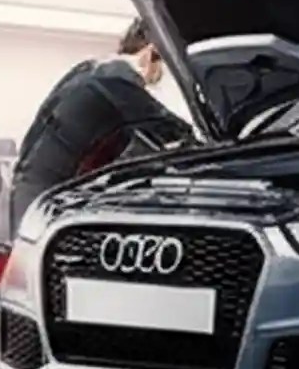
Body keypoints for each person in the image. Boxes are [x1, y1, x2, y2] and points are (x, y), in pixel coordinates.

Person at [10, 18, 192, 227]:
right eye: (161, 69)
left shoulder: (90, 70)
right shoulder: (116, 79)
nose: (156, 79)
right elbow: (166, 126)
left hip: (31, 186)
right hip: (43, 196)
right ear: (150, 54)